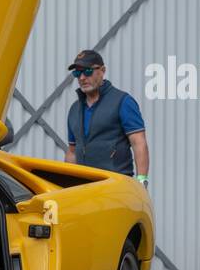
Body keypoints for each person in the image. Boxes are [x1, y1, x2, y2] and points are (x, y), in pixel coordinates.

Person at [64, 49, 149, 186]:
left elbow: (138, 142)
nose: (82, 78)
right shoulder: (74, 110)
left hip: (115, 186)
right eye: (77, 73)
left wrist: (141, 180)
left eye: (87, 71)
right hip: (83, 188)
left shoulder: (123, 102)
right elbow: (72, 152)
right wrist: (68, 184)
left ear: (102, 70)